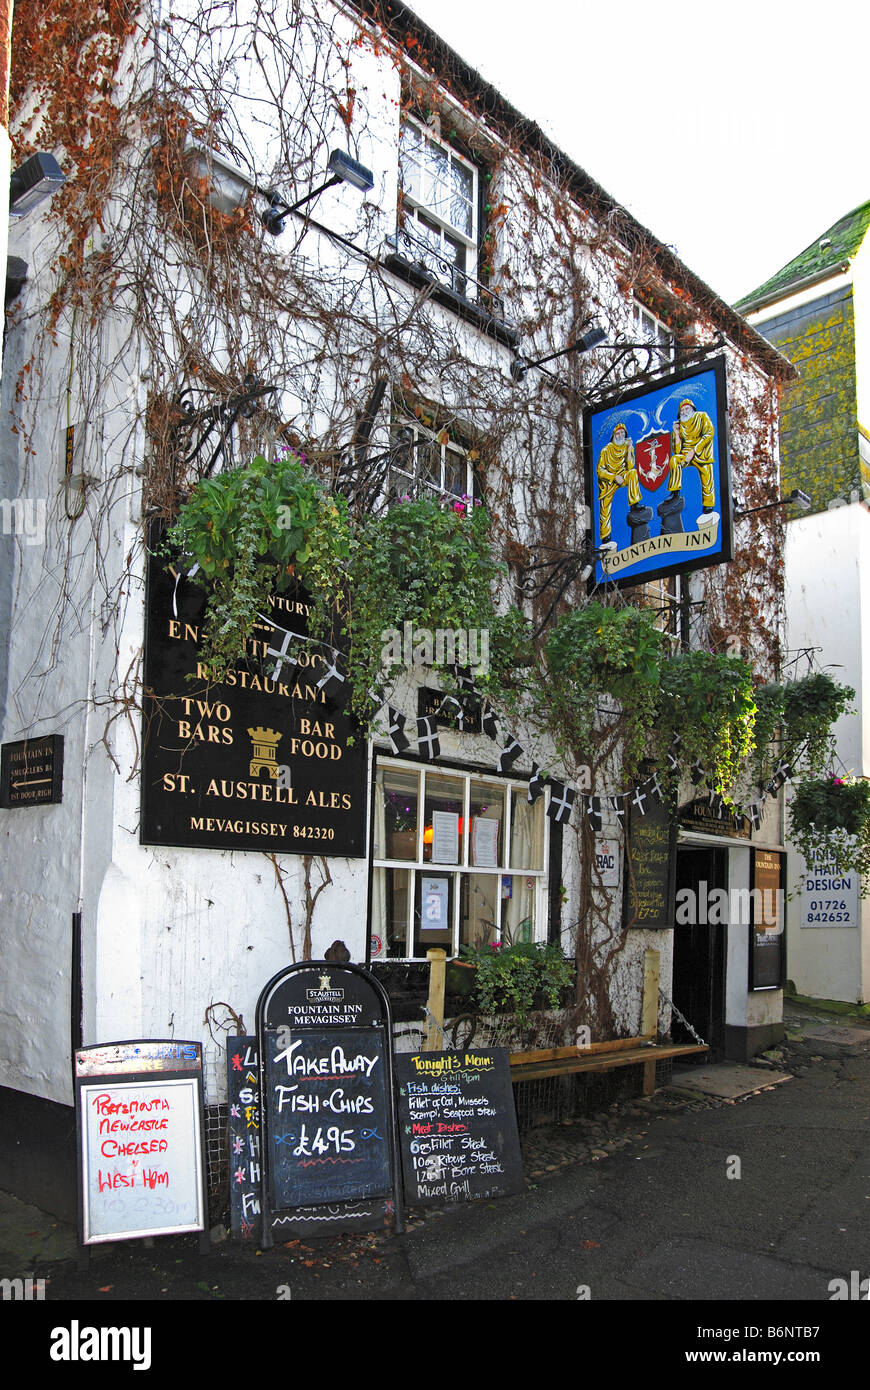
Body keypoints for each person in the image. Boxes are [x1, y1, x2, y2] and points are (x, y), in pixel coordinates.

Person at [668, 398, 717, 516]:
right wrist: (676, 434)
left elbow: (709, 433)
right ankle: (675, 493)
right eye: (682, 410)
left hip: (701, 453)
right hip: (685, 454)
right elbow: (677, 451)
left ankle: (708, 503)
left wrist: (694, 451)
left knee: (707, 474)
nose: (684, 412)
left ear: (692, 409)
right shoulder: (679, 424)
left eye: (687, 409)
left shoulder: (702, 416)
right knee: (674, 460)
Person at [597, 422, 640, 546]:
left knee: (633, 473)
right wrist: (613, 477)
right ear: (613, 435)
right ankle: (605, 537)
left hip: (622, 477)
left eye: (622, 433)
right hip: (608, 483)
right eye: (618, 433)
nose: (620, 435)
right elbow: (600, 471)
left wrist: (630, 449)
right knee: (604, 508)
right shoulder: (606, 450)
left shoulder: (626, 447)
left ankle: (634, 504)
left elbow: (631, 466)